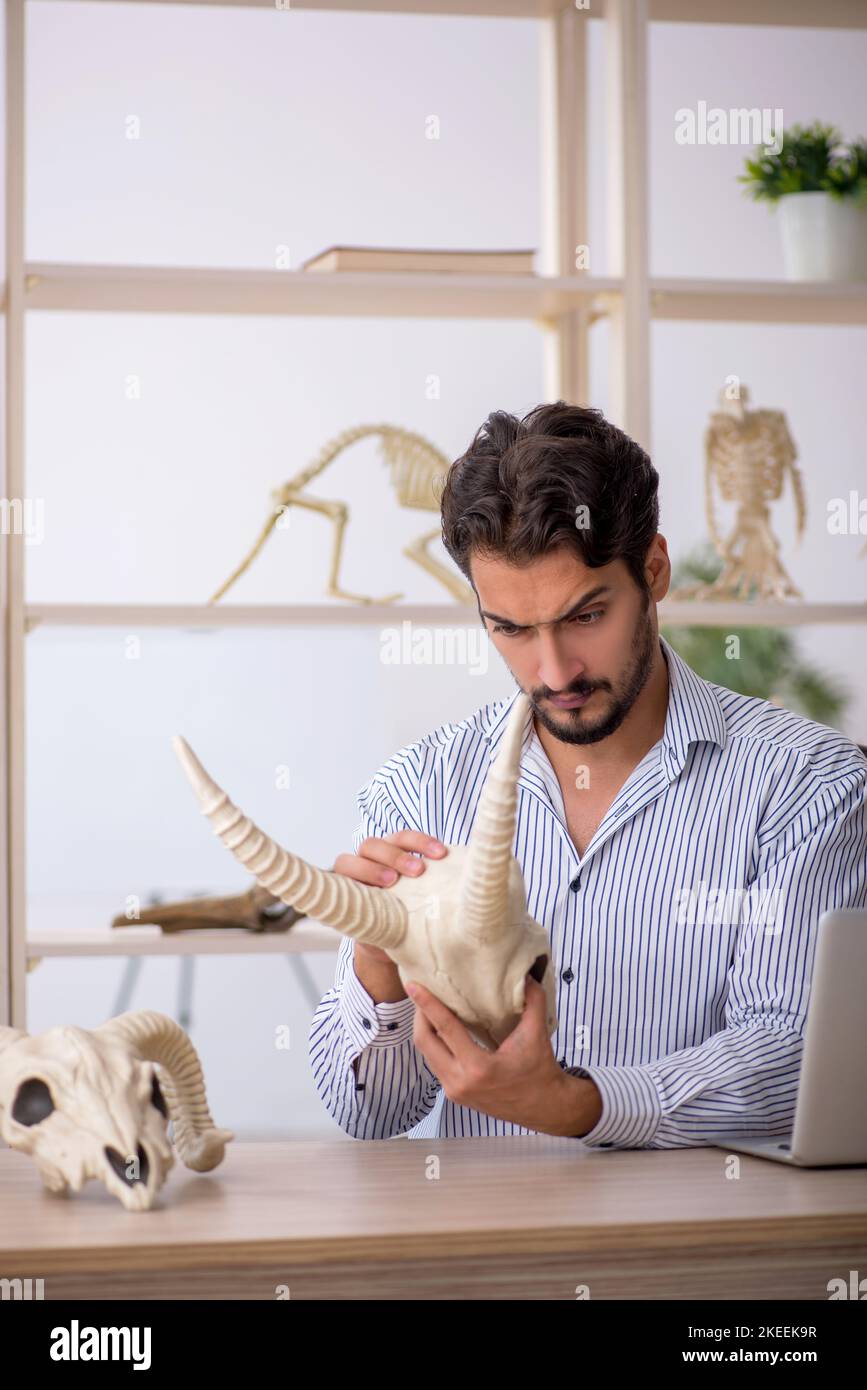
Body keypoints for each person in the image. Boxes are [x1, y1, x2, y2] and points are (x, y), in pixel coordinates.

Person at [307, 401, 866, 1147]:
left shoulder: (805, 785)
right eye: (510, 629)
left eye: (584, 616)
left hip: (700, 1256)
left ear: (654, 571)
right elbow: (366, 1115)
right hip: (485, 1255)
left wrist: (582, 1105)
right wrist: (379, 969)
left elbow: (792, 1063)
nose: (553, 670)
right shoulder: (420, 788)